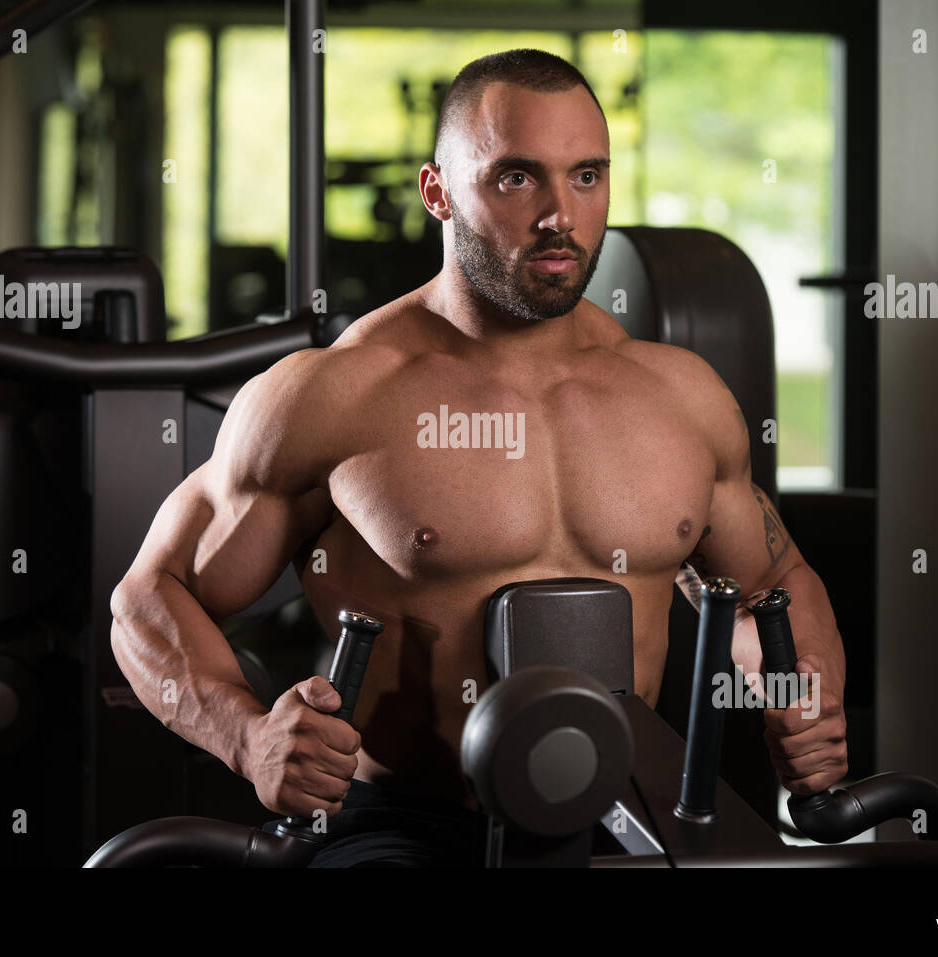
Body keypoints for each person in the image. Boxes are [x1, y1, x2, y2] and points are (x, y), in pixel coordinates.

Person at [109, 48, 848, 867]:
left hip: (625, 817)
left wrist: (797, 696)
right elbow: (149, 595)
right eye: (516, 178)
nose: (560, 215)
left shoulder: (680, 398)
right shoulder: (336, 395)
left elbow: (775, 585)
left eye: (587, 176)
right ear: (438, 192)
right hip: (406, 828)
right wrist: (248, 738)